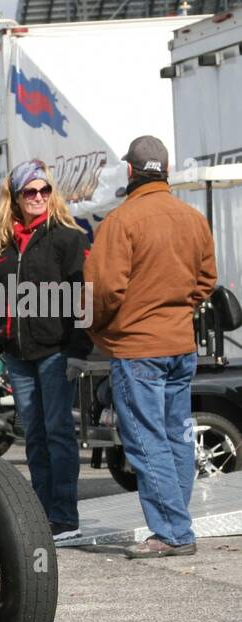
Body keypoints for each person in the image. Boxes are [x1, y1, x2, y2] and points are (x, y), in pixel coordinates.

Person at [86, 135, 217, 558]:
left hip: (138, 349)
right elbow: (206, 280)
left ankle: (174, 532)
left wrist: (99, 330)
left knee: (147, 441)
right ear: (167, 170)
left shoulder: (122, 221)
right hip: (181, 344)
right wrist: (176, 310)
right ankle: (177, 524)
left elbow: (102, 291)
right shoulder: (192, 218)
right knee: (176, 435)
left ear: (130, 171)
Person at [0, 158, 90, 539]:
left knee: (58, 431)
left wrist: (78, 349)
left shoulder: (68, 238)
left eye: (44, 190)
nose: (39, 197)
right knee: (35, 436)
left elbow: (81, 299)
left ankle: (65, 516)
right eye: (30, 191)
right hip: (17, 355)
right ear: (16, 196)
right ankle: (41, 513)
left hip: (56, 351)